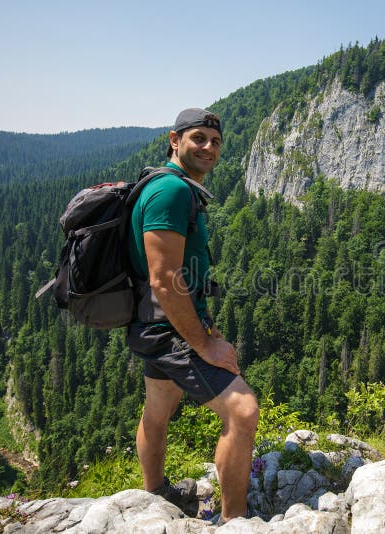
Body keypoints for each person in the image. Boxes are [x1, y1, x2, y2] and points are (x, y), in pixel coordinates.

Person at [126, 108, 259, 524]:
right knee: (242, 411)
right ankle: (234, 520)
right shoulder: (173, 192)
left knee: (158, 409)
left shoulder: (166, 185)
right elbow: (164, 279)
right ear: (174, 139)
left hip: (154, 324)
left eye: (215, 142)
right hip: (170, 330)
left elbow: (177, 277)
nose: (208, 148)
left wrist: (207, 326)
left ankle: (156, 494)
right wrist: (203, 343)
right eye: (198, 138)